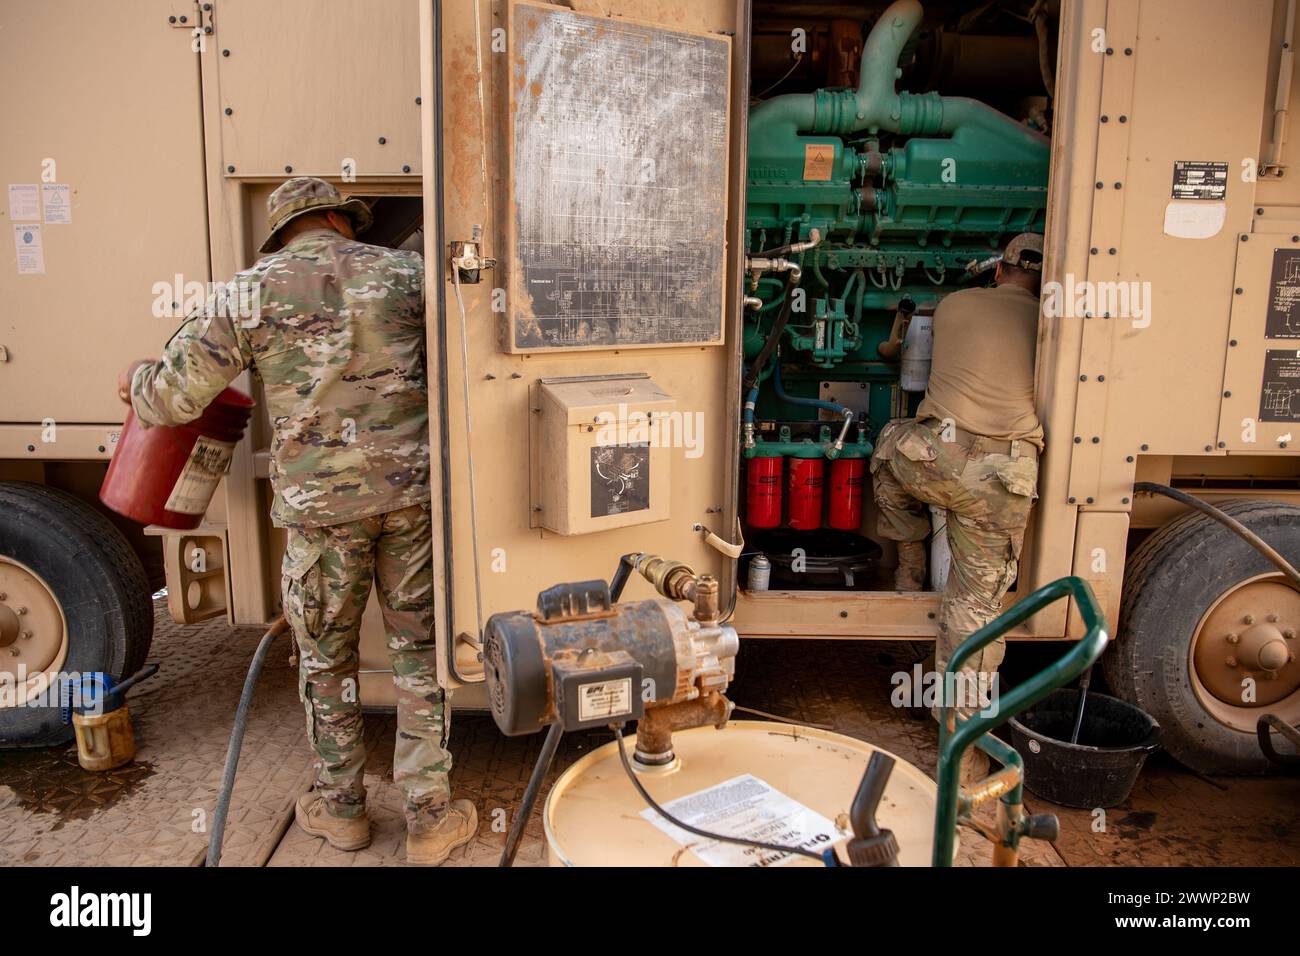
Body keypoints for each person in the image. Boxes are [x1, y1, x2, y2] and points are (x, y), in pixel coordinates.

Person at [118, 177, 475, 865]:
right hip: (412, 504)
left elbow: (173, 397)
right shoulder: (410, 272)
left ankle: (342, 813)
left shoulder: (249, 291)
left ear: (283, 231)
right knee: (419, 652)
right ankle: (431, 817)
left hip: (321, 517)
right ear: (342, 221)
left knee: (325, 656)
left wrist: (136, 379)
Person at [871, 232, 1044, 762]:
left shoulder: (954, 304)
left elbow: (901, 360)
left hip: (936, 458)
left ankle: (908, 570)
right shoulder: (1054, 321)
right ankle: (959, 737)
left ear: (999, 270)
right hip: (1004, 479)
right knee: (976, 608)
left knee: (885, 450)